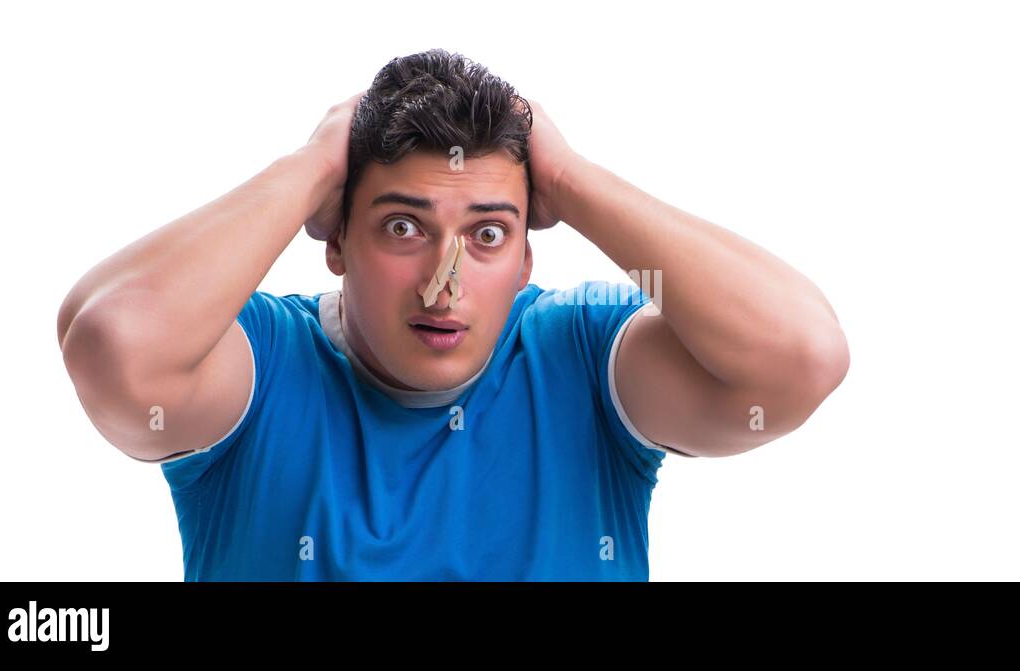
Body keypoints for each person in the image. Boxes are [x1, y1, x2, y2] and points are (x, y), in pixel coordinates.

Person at [57, 49, 850, 581]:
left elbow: (801, 357)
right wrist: (309, 168)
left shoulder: (582, 358)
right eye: (404, 227)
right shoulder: (263, 368)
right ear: (336, 240)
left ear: (528, 255)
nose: (445, 282)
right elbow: (114, 343)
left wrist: (569, 180)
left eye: (487, 234)